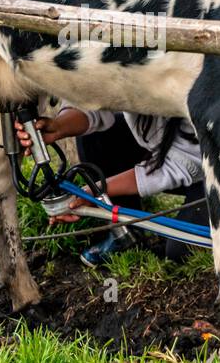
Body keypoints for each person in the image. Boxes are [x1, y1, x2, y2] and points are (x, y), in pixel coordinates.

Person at [15, 107, 207, 266]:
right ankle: (126, 229)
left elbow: (185, 163)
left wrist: (92, 192)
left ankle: (212, 211)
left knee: (181, 251)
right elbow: (95, 104)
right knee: (94, 136)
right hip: (165, 144)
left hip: (217, 170)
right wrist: (58, 126)